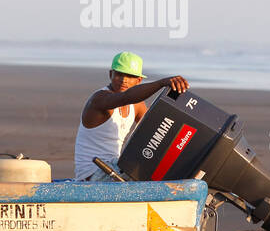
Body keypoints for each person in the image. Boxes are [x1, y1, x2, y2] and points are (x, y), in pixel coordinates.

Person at [74, 52, 189, 180]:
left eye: (130, 76)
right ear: (110, 74)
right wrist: (161, 83)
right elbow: (126, 97)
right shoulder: (100, 98)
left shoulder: (137, 105)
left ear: (138, 80)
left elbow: (156, 128)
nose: (124, 80)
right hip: (93, 173)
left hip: (115, 165)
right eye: (119, 74)